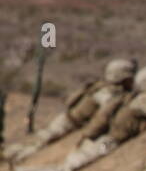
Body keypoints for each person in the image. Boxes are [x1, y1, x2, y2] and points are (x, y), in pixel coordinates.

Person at [3, 65, 146, 171]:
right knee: (67, 170)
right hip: (106, 143)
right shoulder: (144, 100)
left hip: (100, 139)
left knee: (64, 166)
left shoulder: (131, 97)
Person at [2, 58, 137, 164]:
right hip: (68, 123)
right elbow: (104, 115)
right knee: (36, 146)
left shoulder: (99, 86)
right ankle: (6, 157)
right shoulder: (107, 93)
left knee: (37, 143)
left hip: (66, 120)